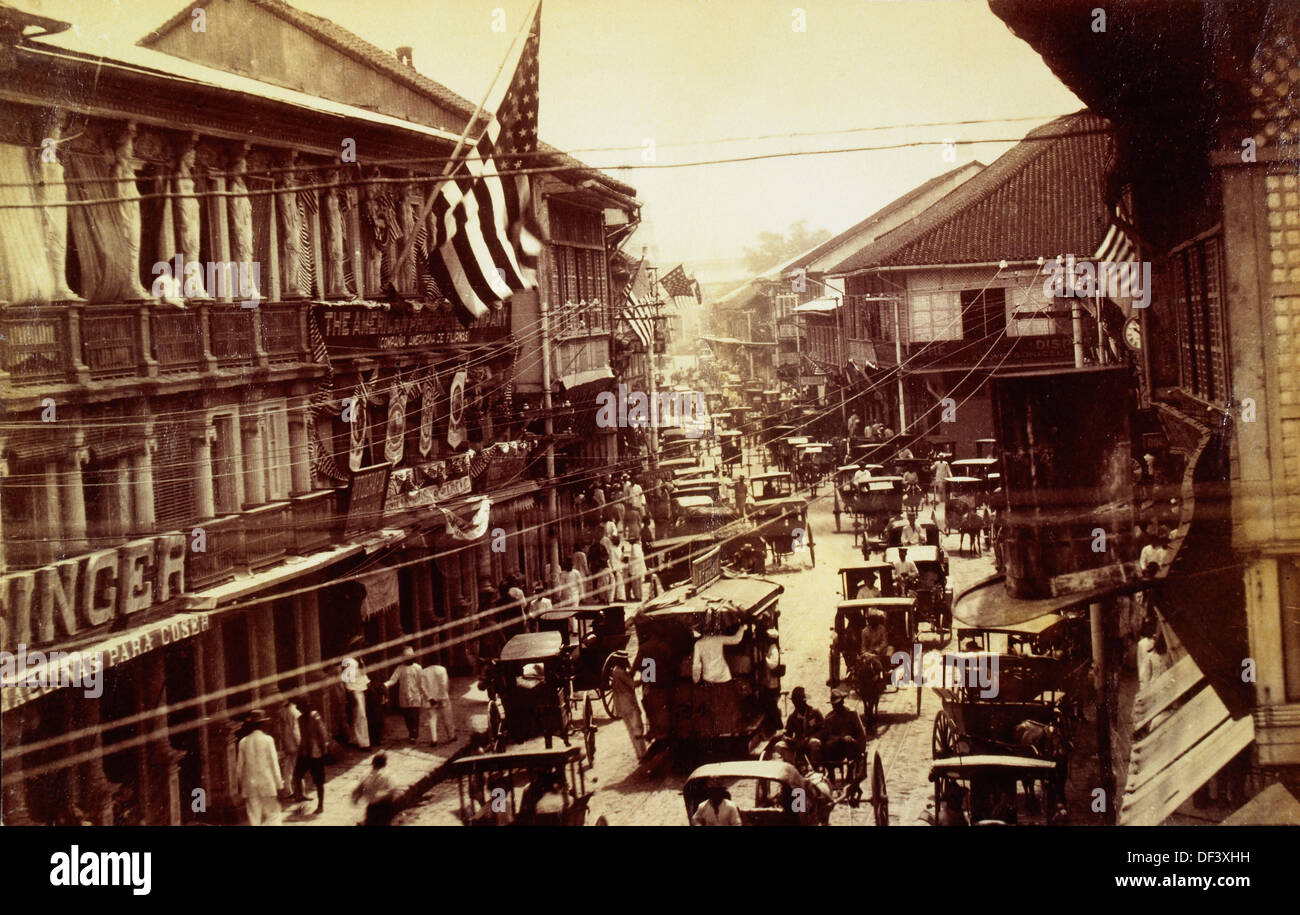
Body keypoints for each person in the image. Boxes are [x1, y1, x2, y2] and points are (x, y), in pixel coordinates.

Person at [235, 709, 283, 826]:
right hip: (267, 782)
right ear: (263, 724)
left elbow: (239, 767)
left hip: (250, 783)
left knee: (253, 816)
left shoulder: (243, 742)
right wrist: (279, 784)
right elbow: (274, 763)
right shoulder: (268, 740)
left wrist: (241, 785)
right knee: (273, 815)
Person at [384, 647, 430, 743]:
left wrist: (425, 695)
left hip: (415, 695)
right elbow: (393, 680)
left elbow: (422, 682)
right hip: (404, 695)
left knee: (414, 715)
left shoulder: (418, 668)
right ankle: (411, 732)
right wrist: (385, 685)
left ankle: (414, 735)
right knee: (407, 716)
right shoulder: (400, 668)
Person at [292, 701, 329, 815]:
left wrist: (324, 749)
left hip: (315, 752)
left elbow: (322, 734)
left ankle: (320, 805)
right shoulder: (300, 719)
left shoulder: (315, 716)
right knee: (297, 775)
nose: (301, 710)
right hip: (304, 752)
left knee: (319, 781)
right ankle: (300, 798)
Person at [691, 616, 747, 684]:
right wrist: (742, 627)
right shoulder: (718, 639)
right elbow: (736, 639)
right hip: (724, 676)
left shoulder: (698, 644)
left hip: (709, 677)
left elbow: (696, 664)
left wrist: (695, 680)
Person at [609, 664, 647, 760]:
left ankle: (639, 753)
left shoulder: (615, 671)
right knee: (637, 728)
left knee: (630, 730)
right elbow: (633, 684)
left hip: (620, 705)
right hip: (628, 703)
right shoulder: (621, 672)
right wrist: (644, 679)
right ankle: (643, 753)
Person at [351, 753, 398, 826]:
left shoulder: (366, 774)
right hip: (384, 806)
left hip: (374, 806)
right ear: (385, 763)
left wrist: (355, 798)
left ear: (373, 763)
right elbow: (393, 789)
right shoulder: (387, 774)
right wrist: (380, 796)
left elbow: (359, 787)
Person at [821, 689, 866, 763]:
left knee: (849, 742)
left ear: (842, 702)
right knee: (827, 746)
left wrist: (861, 750)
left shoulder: (852, 714)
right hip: (837, 746)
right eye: (834, 705)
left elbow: (861, 734)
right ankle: (831, 772)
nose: (836, 707)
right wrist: (840, 738)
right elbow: (828, 735)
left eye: (838, 704)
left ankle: (851, 769)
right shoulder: (829, 718)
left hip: (852, 745)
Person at [784, 686, 825, 763]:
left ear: (804, 702)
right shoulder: (793, 716)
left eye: (798, 702)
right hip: (798, 743)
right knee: (779, 746)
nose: (796, 705)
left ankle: (814, 767)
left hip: (811, 741)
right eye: (794, 702)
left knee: (814, 742)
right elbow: (788, 732)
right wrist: (786, 738)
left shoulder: (814, 713)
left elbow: (823, 729)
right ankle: (795, 765)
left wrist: (811, 737)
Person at [421, 659, 456, 745]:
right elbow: (444, 684)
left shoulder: (423, 672)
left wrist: (430, 698)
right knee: (447, 718)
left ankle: (434, 740)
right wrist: (441, 697)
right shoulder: (442, 669)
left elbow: (422, 686)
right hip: (443, 698)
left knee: (432, 720)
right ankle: (451, 736)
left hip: (430, 700)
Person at [340, 657, 370, 749]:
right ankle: (363, 743)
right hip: (354, 691)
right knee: (361, 716)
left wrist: (368, 684)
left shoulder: (360, 659)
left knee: (357, 716)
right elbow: (346, 680)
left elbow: (363, 675)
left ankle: (354, 739)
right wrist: (350, 693)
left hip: (361, 689)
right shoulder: (348, 661)